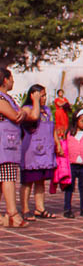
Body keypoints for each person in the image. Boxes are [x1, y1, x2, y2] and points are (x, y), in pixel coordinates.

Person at [0, 69, 41, 227]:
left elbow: (32, 115)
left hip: (9, 145)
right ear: (5, 80)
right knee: (8, 177)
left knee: (5, 178)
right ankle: (12, 213)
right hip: (4, 145)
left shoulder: (9, 98)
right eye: (11, 78)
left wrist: (31, 105)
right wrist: (22, 112)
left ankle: (9, 214)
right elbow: (16, 116)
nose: (13, 81)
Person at [20, 85, 59, 219]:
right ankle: (25, 209)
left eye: (44, 95)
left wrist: (57, 143)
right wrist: (35, 101)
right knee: (28, 182)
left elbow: (53, 128)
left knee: (40, 181)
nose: (44, 98)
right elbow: (34, 116)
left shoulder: (47, 110)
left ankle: (40, 208)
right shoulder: (27, 109)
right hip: (31, 152)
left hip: (45, 151)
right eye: (41, 95)